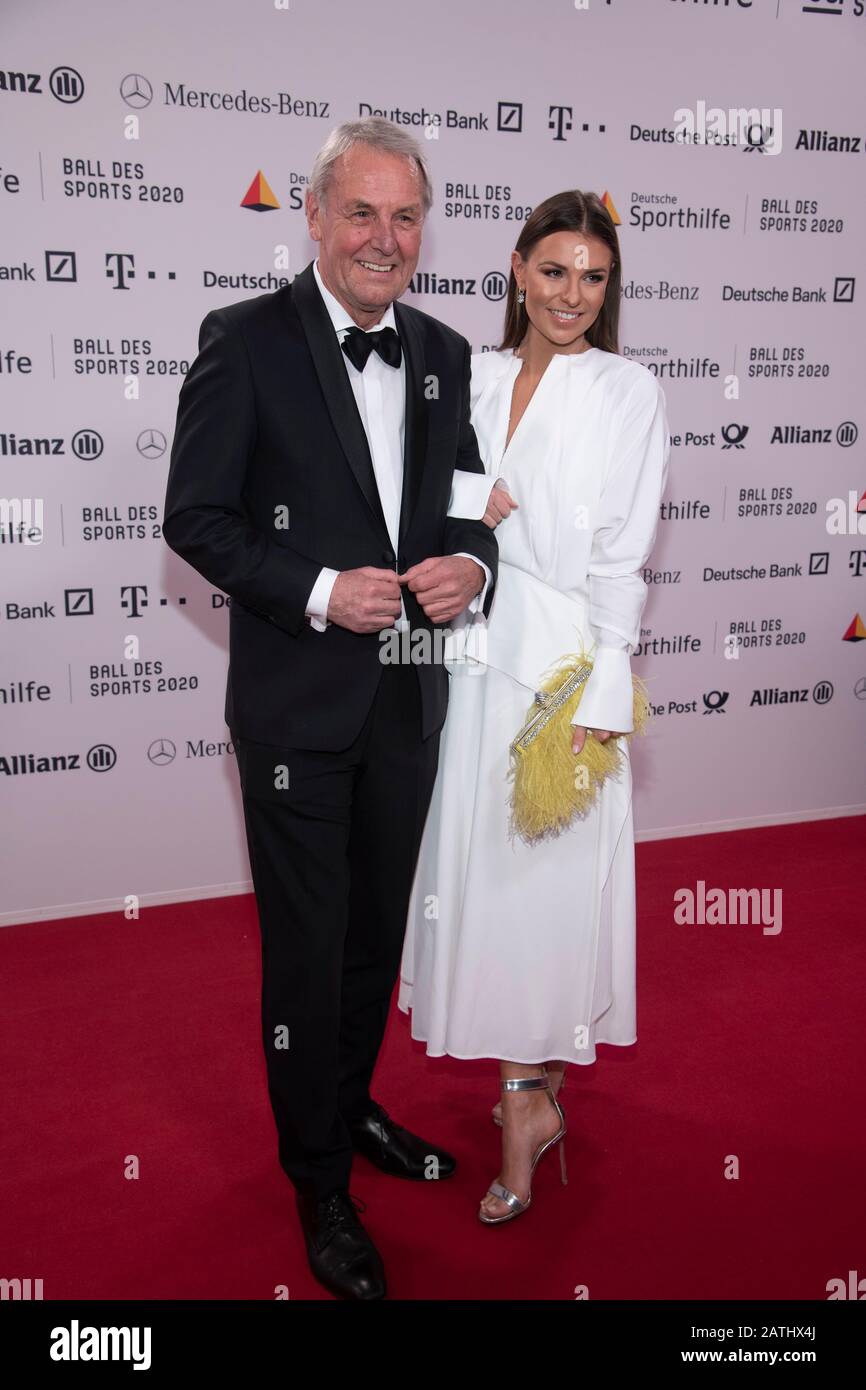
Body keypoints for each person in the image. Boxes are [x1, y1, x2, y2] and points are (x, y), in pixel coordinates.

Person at [162, 117, 498, 1298]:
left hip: (407, 702)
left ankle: (350, 1110)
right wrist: (312, 589)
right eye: (361, 213)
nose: (383, 239)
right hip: (298, 711)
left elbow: (463, 510)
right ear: (311, 216)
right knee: (305, 957)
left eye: (405, 218)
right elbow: (195, 519)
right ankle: (316, 1184)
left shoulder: (448, 352)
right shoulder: (244, 343)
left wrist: (475, 568)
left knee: (369, 944)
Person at [398, 189, 671, 1225]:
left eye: (592, 277)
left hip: (560, 672)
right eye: (553, 271)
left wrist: (605, 682)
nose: (571, 295)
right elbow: (420, 506)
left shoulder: (626, 390)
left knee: (548, 887)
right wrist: (471, 507)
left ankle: (524, 1107)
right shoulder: (468, 373)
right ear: (516, 269)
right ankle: (528, 1095)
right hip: (468, 664)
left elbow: (618, 553)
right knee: (483, 884)